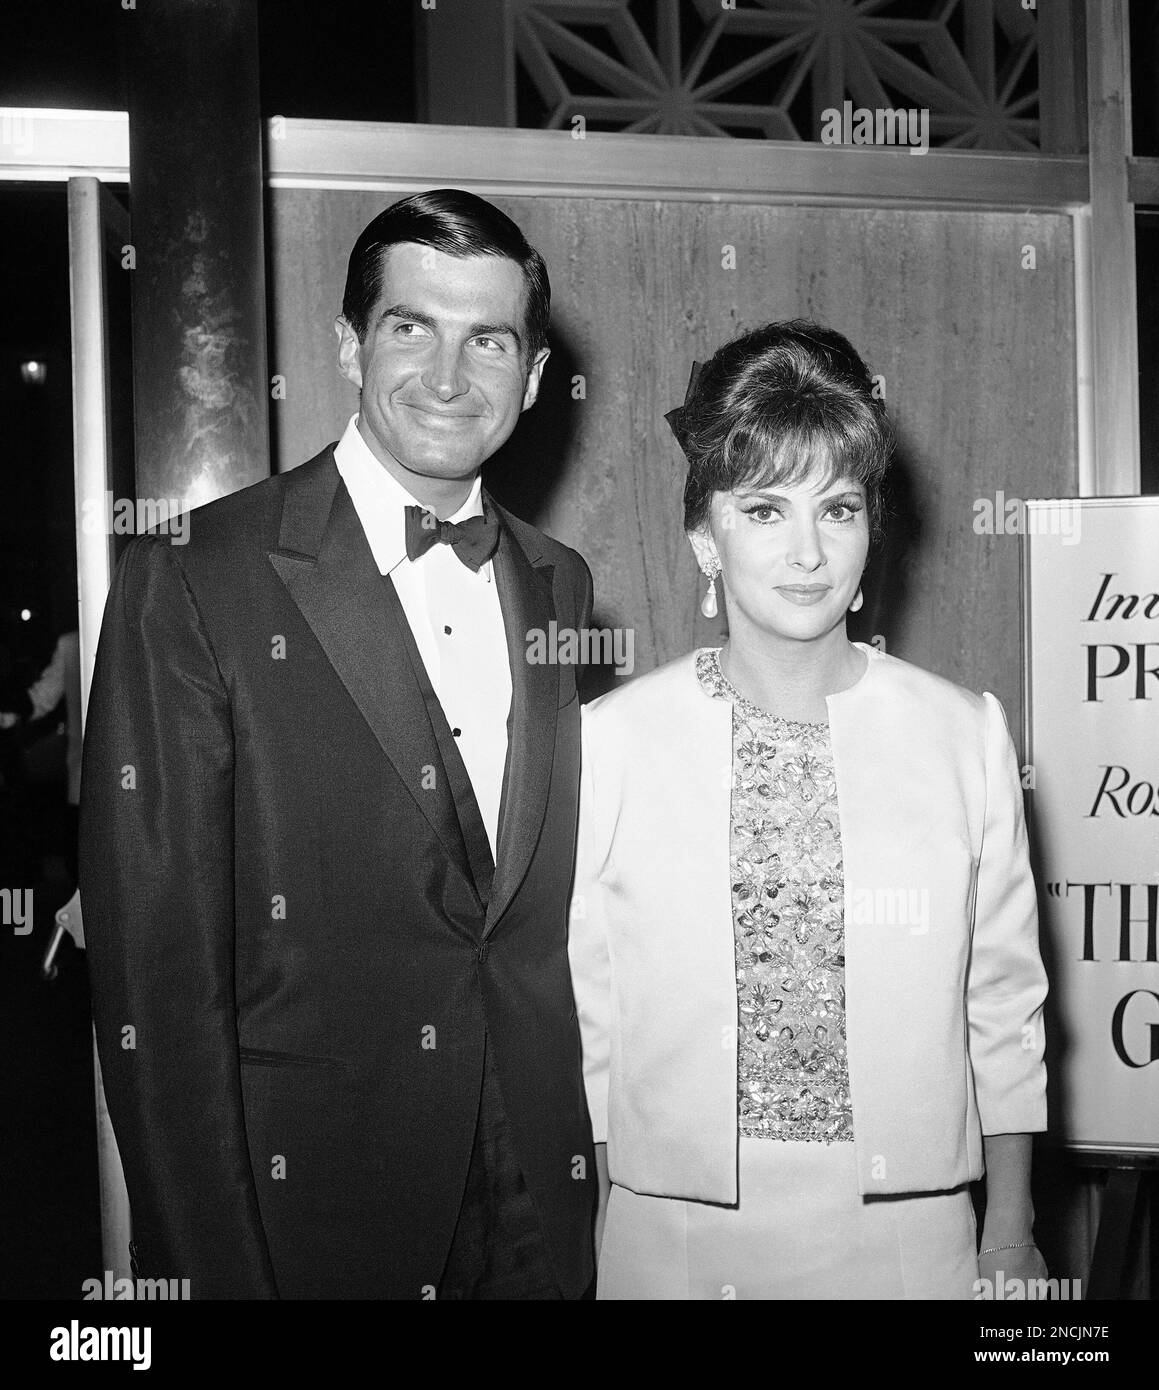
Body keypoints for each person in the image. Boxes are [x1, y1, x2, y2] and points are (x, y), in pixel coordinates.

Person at [80, 190, 596, 1299]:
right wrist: (203, 1267)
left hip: (533, 1213)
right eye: (412, 327)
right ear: (350, 345)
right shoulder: (193, 573)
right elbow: (158, 982)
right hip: (308, 1215)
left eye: (489, 341)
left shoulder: (561, 580)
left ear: (536, 376)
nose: (450, 378)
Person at [568, 320, 1049, 1299]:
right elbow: (591, 1021)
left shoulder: (964, 734)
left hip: (910, 1238)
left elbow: (1002, 1009)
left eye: (835, 509)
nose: (805, 551)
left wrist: (1010, 1227)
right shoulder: (610, 741)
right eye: (762, 510)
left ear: (872, 530)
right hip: (674, 1236)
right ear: (705, 535)